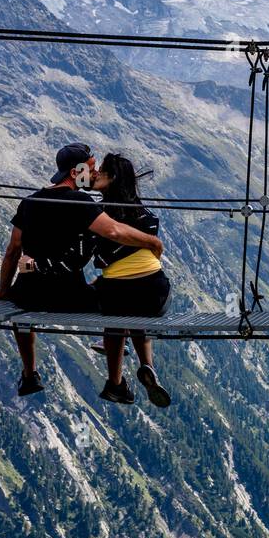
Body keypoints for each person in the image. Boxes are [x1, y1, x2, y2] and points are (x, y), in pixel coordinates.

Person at [0, 143, 163, 399]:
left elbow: (12, 251)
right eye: (91, 169)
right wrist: (152, 242)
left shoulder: (29, 202)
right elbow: (114, 231)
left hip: (27, 295)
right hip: (70, 299)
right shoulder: (81, 202)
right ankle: (121, 372)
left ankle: (30, 374)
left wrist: (4, 291)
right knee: (121, 300)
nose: (94, 175)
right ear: (75, 173)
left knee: (24, 316)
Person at [89, 153, 172, 407]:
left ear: (112, 178)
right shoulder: (145, 215)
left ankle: (115, 382)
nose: (95, 174)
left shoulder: (98, 215)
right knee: (136, 313)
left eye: (100, 170)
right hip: (156, 293)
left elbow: (98, 257)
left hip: (117, 295)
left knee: (115, 318)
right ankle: (147, 365)